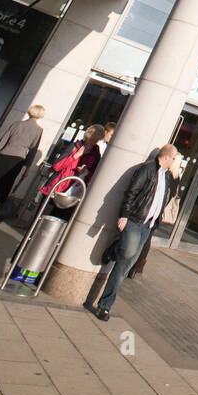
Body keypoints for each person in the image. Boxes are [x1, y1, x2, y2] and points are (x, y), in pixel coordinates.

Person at [93, 145, 178, 321]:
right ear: (168, 157)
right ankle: (114, 251)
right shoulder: (146, 170)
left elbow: (164, 198)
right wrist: (124, 215)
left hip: (148, 226)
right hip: (135, 220)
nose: (175, 161)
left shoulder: (167, 177)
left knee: (127, 263)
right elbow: (131, 193)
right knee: (128, 254)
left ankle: (106, 304)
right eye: (174, 157)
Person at [127, 150, 181, 280]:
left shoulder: (168, 176)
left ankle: (133, 265)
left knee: (141, 240)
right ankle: (136, 266)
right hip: (155, 212)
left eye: (174, 159)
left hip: (150, 211)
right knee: (145, 240)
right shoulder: (175, 176)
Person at [41, 125, 105, 204]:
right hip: (57, 187)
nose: (92, 143)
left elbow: (94, 176)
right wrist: (75, 156)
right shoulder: (75, 146)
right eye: (91, 139)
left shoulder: (95, 154)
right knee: (43, 212)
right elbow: (57, 166)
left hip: (73, 192)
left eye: (95, 140)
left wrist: (85, 172)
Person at [0, 104, 45, 207]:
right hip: (18, 159)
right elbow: (32, 151)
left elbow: (2, 141)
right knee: (6, 184)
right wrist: (27, 168)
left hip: (3, 155)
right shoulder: (38, 130)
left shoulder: (16, 124)